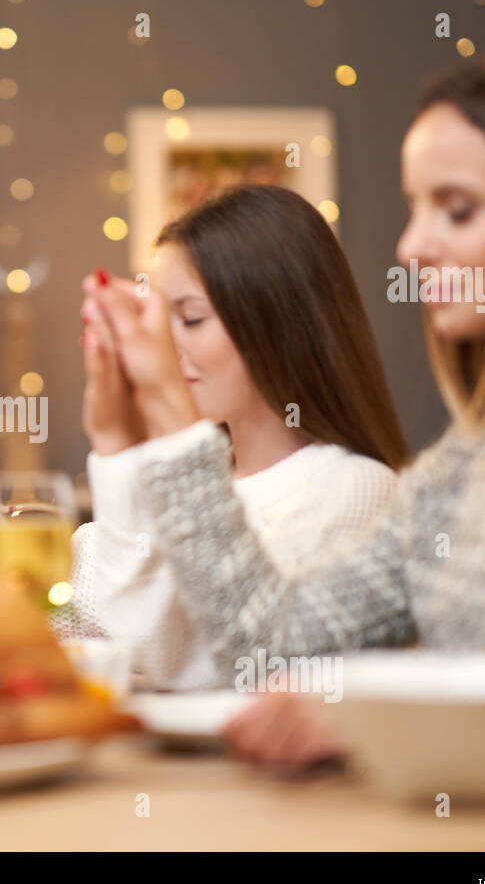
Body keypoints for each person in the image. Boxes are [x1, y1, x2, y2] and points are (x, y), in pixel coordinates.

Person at [80, 50, 485, 767]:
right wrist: (166, 437)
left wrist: (388, 718)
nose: (412, 247)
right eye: (415, 209)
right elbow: (269, 647)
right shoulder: (451, 477)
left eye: (458, 210)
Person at [54, 186, 409, 690]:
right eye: (159, 317)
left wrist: (149, 440)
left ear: (276, 320)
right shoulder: (183, 485)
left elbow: (213, 661)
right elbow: (57, 614)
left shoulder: (354, 489)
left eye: (191, 318)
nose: (165, 343)